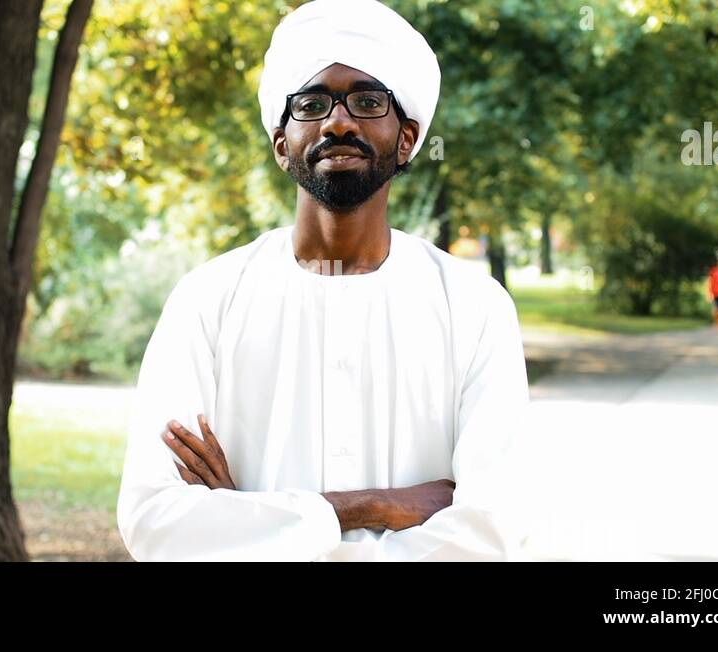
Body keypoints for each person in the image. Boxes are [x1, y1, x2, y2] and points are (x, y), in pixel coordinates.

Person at [116, 0, 529, 561]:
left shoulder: (474, 307)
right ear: (281, 145)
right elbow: (155, 522)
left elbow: (492, 531)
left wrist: (251, 524)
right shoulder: (207, 300)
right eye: (311, 105)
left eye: (368, 101)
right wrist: (369, 506)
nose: (338, 122)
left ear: (406, 139)